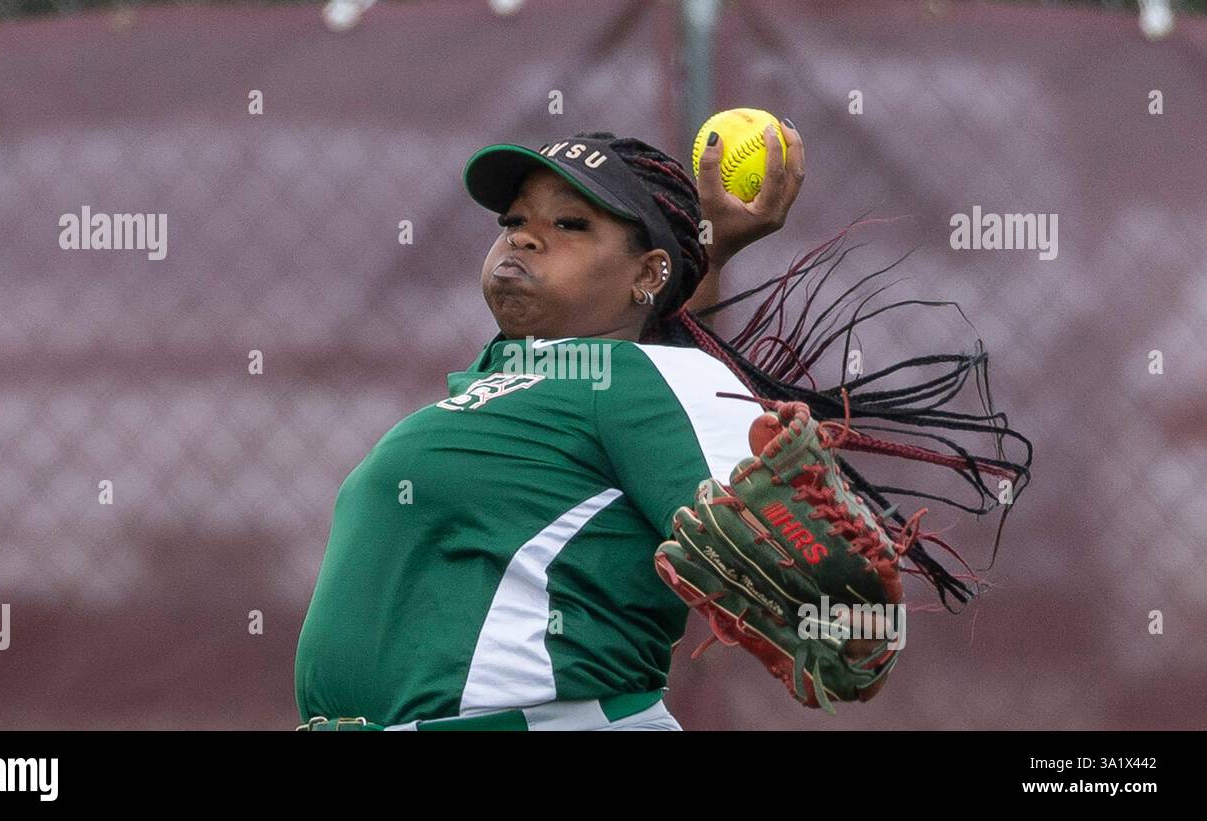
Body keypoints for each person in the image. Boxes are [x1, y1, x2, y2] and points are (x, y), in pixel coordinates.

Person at [293, 127, 1030, 731]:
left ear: (646, 273)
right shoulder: (514, 378)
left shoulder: (646, 381)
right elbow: (640, 344)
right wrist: (706, 246)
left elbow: (843, 612)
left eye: (569, 224)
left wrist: (849, 618)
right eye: (514, 221)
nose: (525, 239)